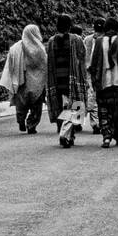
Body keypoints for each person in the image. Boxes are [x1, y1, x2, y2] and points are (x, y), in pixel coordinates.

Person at [46, 13, 88, 148]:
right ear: (70, 26)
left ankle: (66, 133)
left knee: (61, 107)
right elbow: (83, 56)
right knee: (75, 106)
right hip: (72, 79)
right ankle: (65, 134)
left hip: (57, 81)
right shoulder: (76, 39)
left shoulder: (51, 41)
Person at [90, 15, 118, 148]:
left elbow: (93, 62)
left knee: (104, 111)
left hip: (103, 83)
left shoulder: (98, 42)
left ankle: (106, 137)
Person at [0, 24, 47, 134]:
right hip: (37, 82)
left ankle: (21, 120)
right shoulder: (39, 48)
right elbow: (44, 65)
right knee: (36, 105)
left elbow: (10, 65)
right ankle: (31, 125)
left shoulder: (15, 48)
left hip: (21, 81)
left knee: (21, 103)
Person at [83, 17, 105, 134]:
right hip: (101, 73)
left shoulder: (87, 39)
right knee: (99, 97)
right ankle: (98, 123)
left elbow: (83, 56)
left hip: (88, 72)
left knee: (90, 96)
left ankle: (94, 122)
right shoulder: (105, 39)